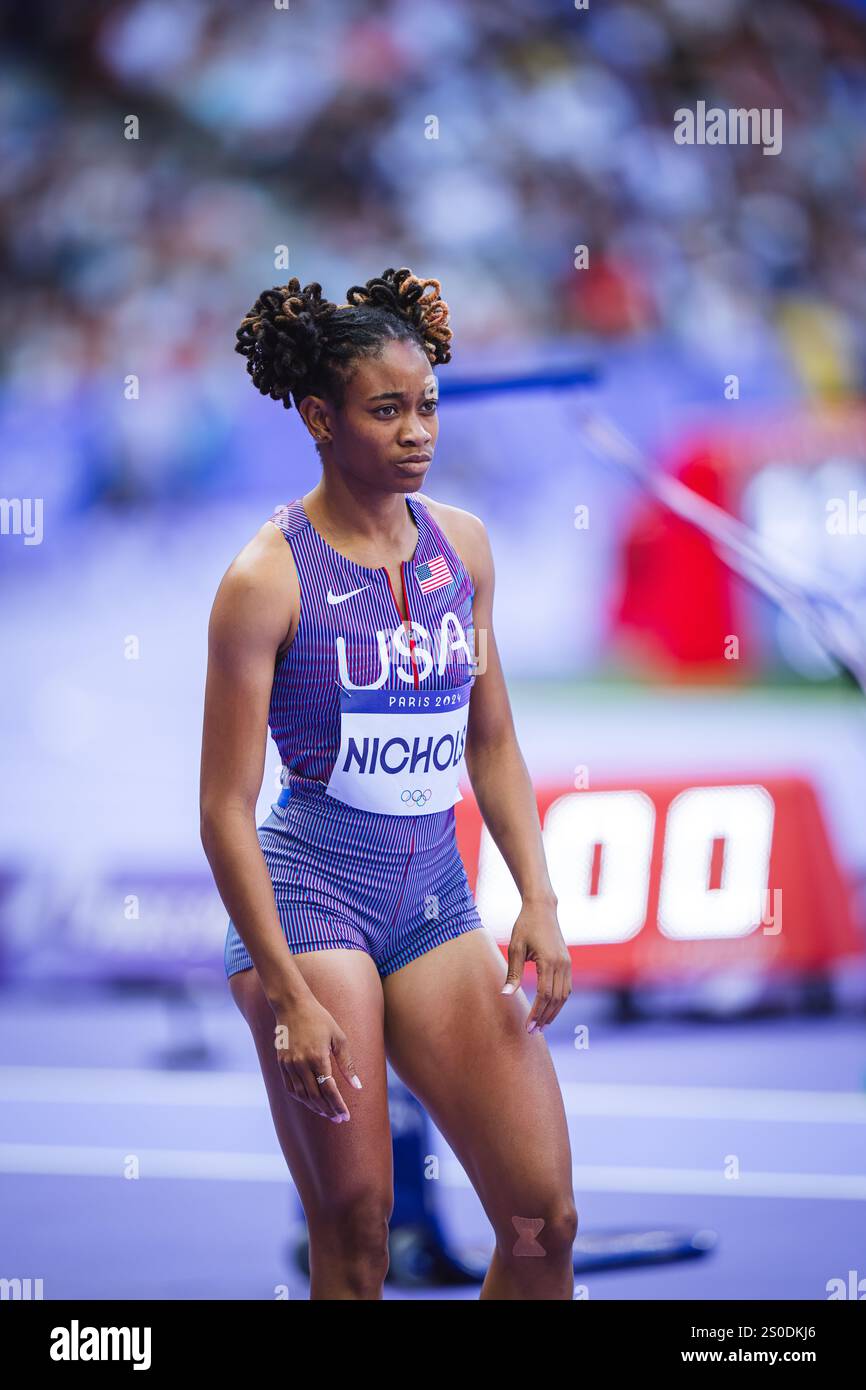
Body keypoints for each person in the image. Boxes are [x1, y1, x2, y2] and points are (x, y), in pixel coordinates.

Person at [200, 267, 577, 1299]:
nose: (418, 432)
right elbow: (223, 809)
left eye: (428, 407)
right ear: (318, 419)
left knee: (542, 1219)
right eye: (386, 411)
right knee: (357, 1233)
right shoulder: (264, 579)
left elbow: (490, 742)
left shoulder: (465, 548)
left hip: (433, 904)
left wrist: (535, 900)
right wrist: (283, 991)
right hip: (311, 905)